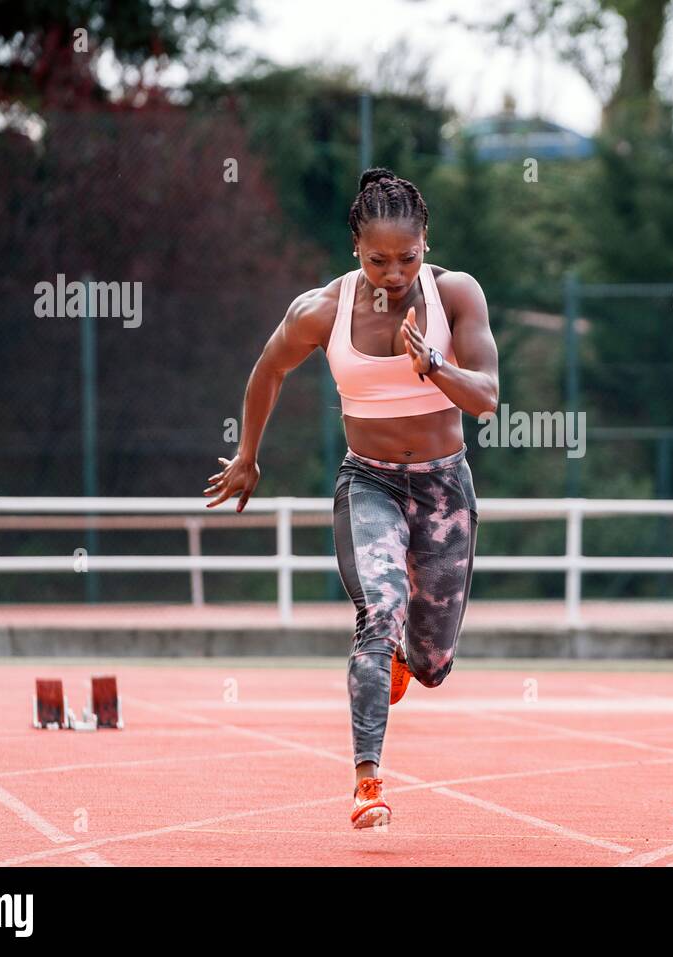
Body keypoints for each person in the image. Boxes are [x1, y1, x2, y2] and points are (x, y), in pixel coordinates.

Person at [204, 167, 499, 828]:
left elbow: (487, 397)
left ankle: (401, 660)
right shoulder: (323, 310)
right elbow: (268, 368)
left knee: (432, 666)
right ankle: (367, 777)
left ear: (428, 242)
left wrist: (437, 366)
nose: (393, 273)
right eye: (377, 260)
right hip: (369, 483)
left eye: (408, 257)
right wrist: (249, 455)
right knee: (381, 607)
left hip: (445, 489)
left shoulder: (455, 295)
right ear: (354, 252)